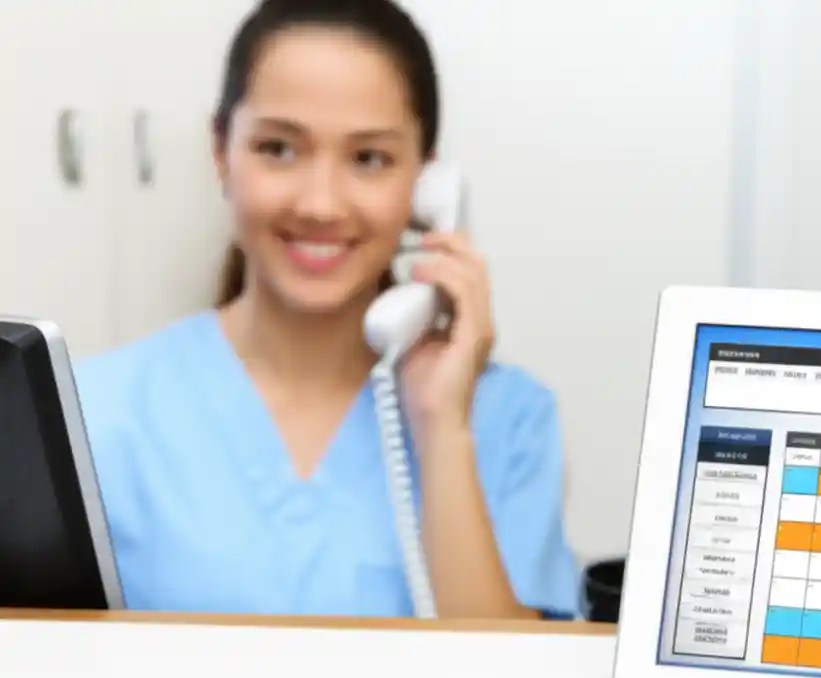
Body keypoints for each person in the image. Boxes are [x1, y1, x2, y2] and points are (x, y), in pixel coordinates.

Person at [72, 0, 580, 619]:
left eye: (369, 159)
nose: (320, 204)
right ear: (220, 151)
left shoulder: (507, 421)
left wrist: (442, 429)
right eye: (279, 148)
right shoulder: (90, 417)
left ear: (424, 182)